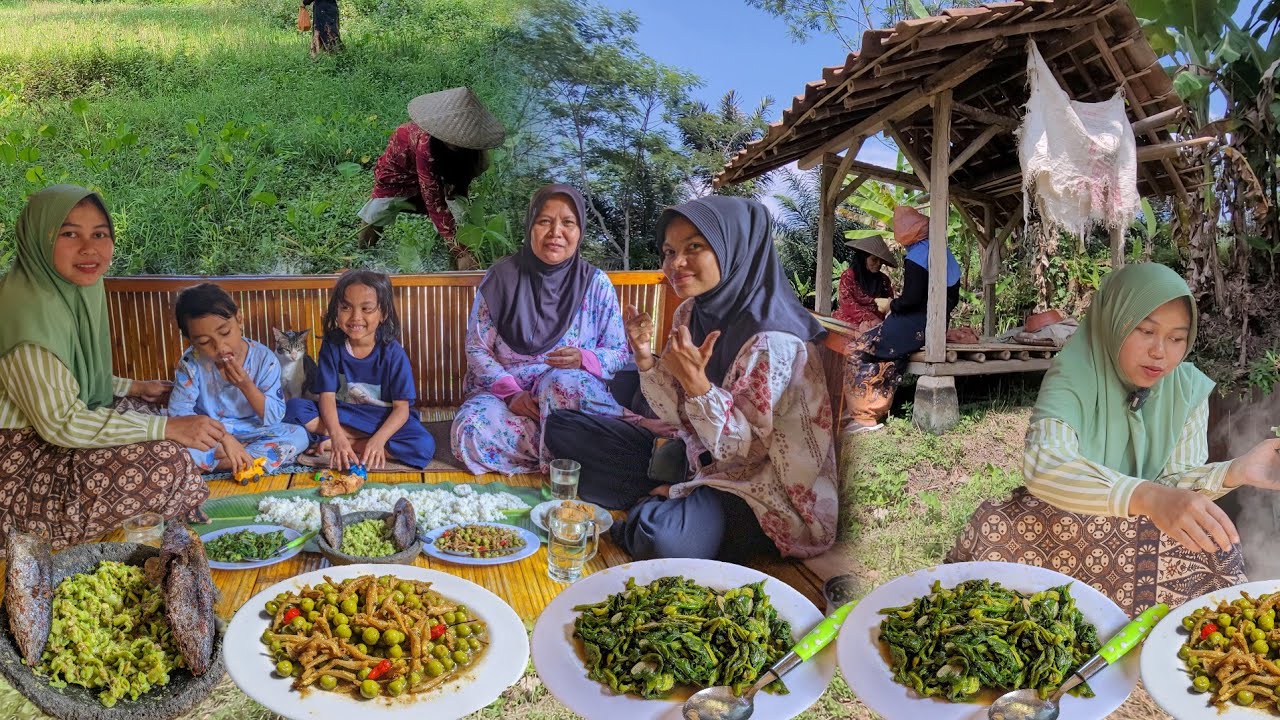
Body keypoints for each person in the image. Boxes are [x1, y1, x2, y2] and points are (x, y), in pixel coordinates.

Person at [949, 263, 1280, 614]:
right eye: (1145, 331)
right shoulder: (1073, 373)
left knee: (1214, 545)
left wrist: (1237, 471)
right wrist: (1145, 496)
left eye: (1176, 338)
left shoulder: (1187, 387)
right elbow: (1046, 466)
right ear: (1115, 322)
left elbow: (1174, 488)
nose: (1160, 352)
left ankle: (1166, 644)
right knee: (994, 528)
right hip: (1067, 525)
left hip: (1143, 533)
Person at [544, 195, 839, 562]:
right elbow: (673, 415)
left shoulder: (773, 340)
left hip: (759, 489)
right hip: (695, 455)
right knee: (562, 427)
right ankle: (668, 492)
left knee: (660, 538)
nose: (676, 263)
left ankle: (662, 499)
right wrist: (643, 357)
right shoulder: (690, 312)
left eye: (694, 247)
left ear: (734, 248)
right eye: (669, 251)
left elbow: (740, 452)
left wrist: (699, 387)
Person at [0, 185, 222, 549]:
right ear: (38, 238)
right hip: (21, 468)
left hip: (50, 434)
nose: (89, 248)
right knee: (163, 459)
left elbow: (65, 376)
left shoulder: (62, 290)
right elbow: (63, 421)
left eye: (100, 234)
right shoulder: (25, 313)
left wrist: (130, 387)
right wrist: (167, 428)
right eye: (69, 233)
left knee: (157, 408)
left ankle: (171, 502)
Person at [451, 184, 635, 475]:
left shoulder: (595, 284)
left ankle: (561, 447)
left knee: (563, 382)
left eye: (568, 223)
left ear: (580, 230)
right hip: (507, 397)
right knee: (471, 430)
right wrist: (512, 393)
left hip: (568, 399)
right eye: (545, 221)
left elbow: (618, 352)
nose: (555, 233)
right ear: (530, 226)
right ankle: (571, 454)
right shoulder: (501, 279)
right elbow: (477, 348)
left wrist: (583, 359)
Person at [284, 270, 434, 469]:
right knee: (294, 408)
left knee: (423, 445)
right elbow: (326, 397)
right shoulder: (332, 344)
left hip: (381, 418)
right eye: (346, 307)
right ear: (336, 309)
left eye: (366, 309)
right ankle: (343, 441)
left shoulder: (393, 353)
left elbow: (401, 409)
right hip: (343, 414)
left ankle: (351, 445)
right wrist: (337, 434)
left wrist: (378, 439)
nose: (355, 317)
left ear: (384, 313)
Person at [356, 87, 505, 270]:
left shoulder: (473, 151)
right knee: (377, 212)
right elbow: (434, 202)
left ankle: (454, 271)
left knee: (458, 218)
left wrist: (460, 241)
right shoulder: (425, 144)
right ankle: (361, 256)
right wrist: (461, 251)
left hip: (441, 175)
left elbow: (461, 184)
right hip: (400, 171)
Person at [168, 283, 309, 476]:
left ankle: (228, 460)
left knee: (300, 436)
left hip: (255, 431)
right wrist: (224, 439)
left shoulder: (264, 359)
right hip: (212, 436)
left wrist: (246, 385)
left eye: (225, 333)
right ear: (191, 341)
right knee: (172, 448)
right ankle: (246, 460)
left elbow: (274, 416)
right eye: (203, 342)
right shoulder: (191, 363)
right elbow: (178, 414)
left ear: (239, 320)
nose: (219, 346)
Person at [844, 205, 961, 433]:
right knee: (880, 345)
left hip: (916, 322)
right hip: (933, 323)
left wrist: (892, 305)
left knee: (862, 347)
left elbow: (911, 299)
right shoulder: (941, 251)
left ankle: (865, 414)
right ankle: (869, 408)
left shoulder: (917, 256)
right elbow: (948, 297)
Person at [833, 235, 896, 331]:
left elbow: (889, 303)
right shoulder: (849, 276)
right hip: (850, 322)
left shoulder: (884, 280)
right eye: (874, 260)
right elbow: (847, 304)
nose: (878, 264)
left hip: (877, 325)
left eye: (881, 261)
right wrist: (871, 318)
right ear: (863, 258)